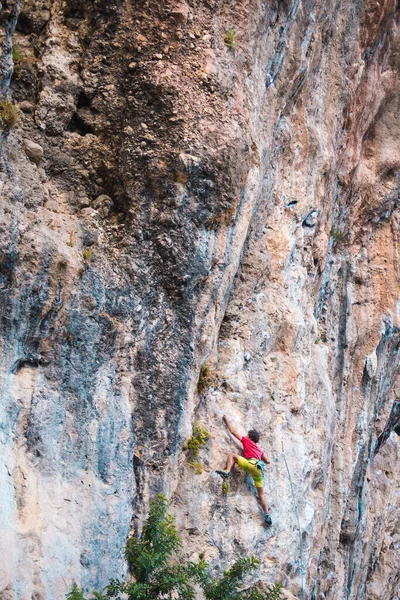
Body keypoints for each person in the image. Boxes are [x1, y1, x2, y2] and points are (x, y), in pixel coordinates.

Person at [216, 415, 272, 526]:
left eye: (247, 435)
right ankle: (267, 515)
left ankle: (227, 471)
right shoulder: (259, 450)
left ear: (250, 437)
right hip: (259, 472)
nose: (245, 436)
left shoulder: (247, 441)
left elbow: (232, 431)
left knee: (232, 455)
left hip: (250, 465)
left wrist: (226, 419)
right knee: (261, 494)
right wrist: (259, 454)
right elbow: (268, 461)